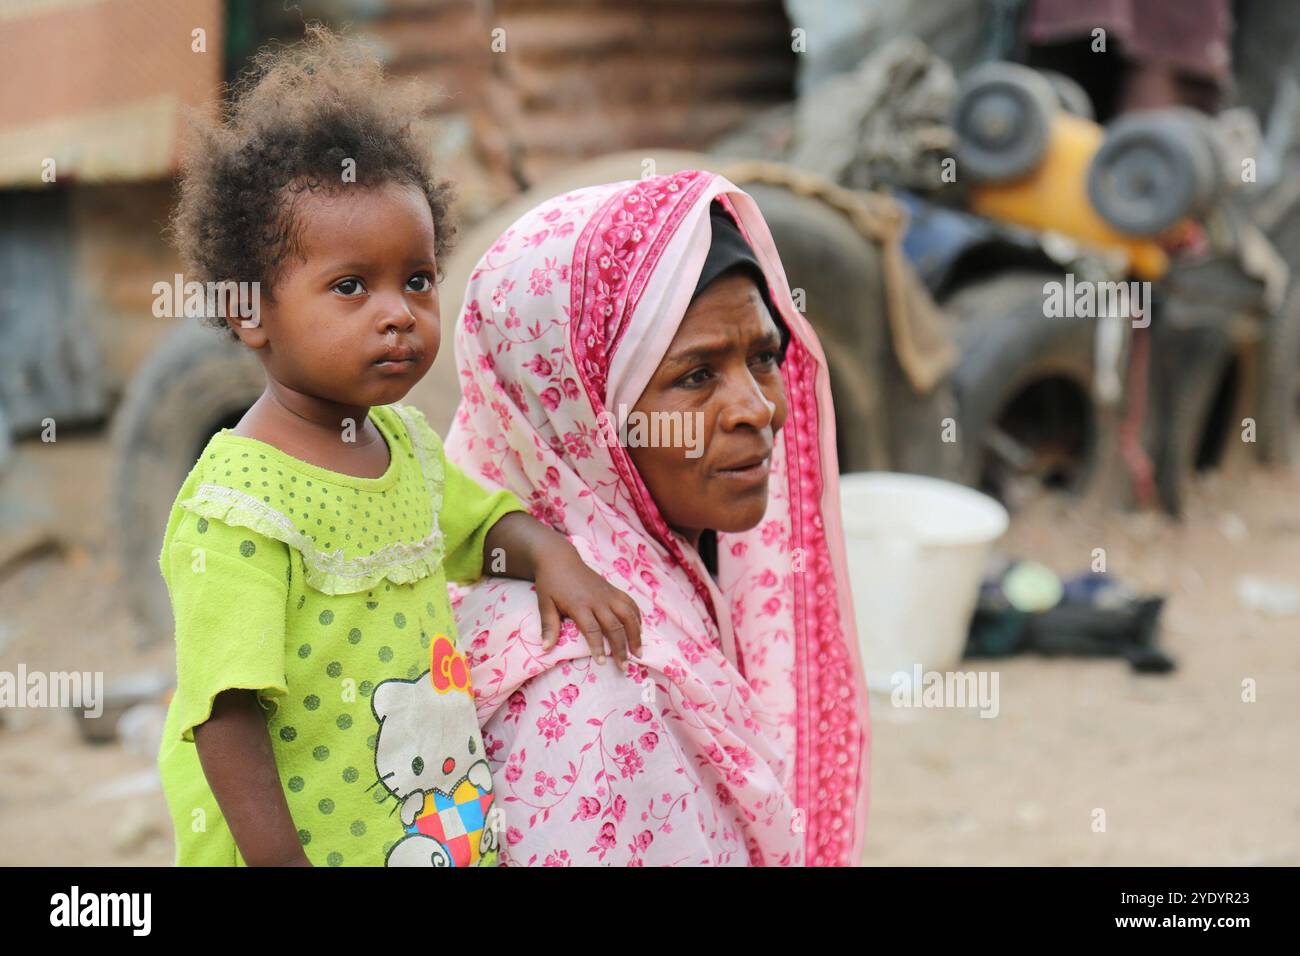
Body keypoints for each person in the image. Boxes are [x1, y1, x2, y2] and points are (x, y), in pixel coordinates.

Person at [155, 27, 640, 867]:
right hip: (294, 844)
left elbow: (482, 530)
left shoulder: (406, 449)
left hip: (420, 830)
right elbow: (222, 716)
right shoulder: (238, 507)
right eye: (351, 286)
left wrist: (553, 557)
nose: (398, 312)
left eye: (416, 279)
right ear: (250, 312)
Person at [446, 171, 871, 866]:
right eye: (697, 376)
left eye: (763, 358)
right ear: (582, 415)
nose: (756, 409)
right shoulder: (592, 680)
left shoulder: (656, 592)